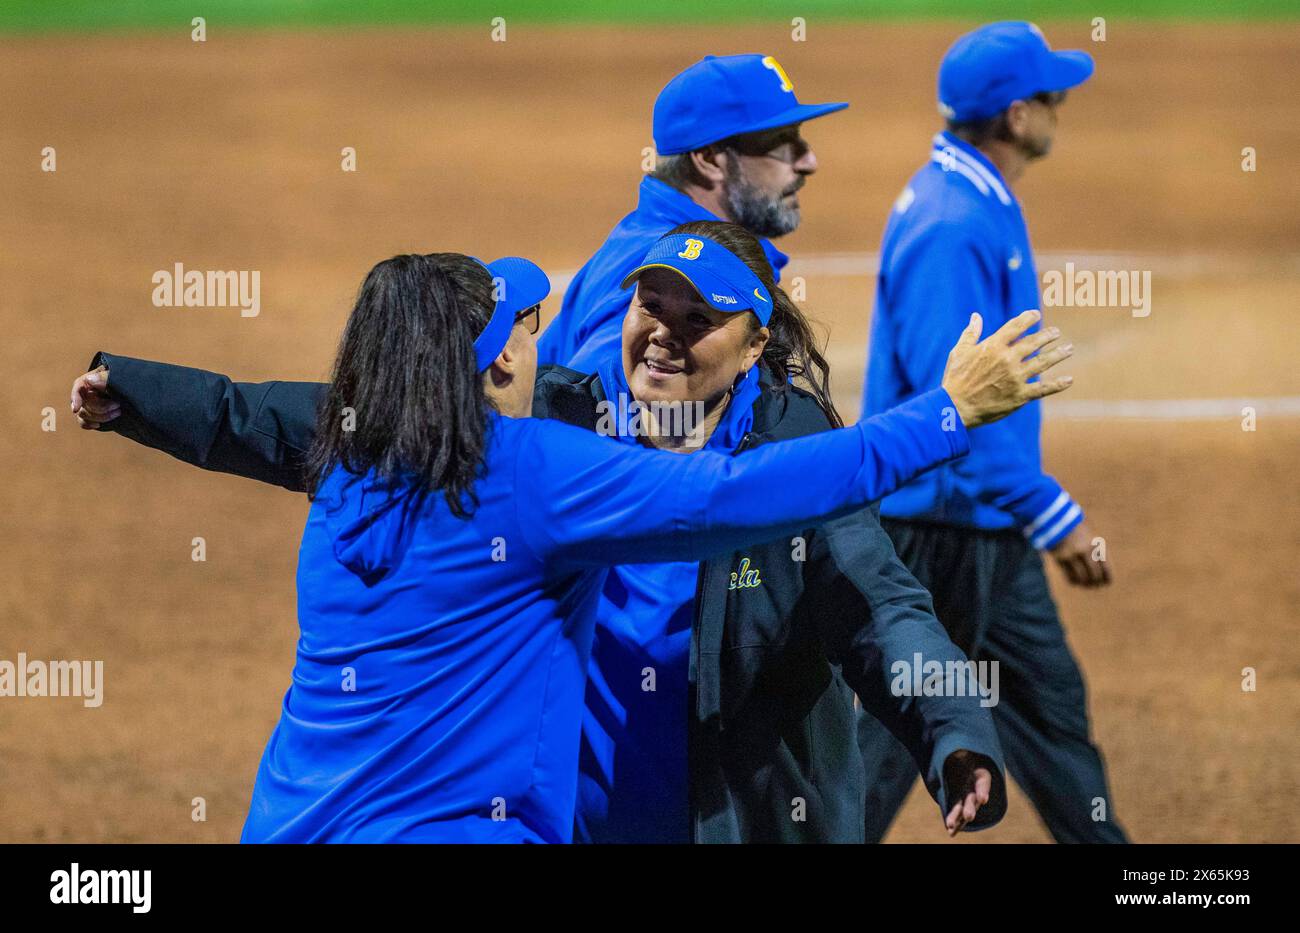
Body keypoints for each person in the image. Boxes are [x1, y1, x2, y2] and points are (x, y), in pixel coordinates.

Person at [73, 229, 1076, 842]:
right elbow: (728, 496)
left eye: (701, 314)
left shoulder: (378, 449)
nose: (665, 328)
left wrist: (954, 728)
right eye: (652, 301)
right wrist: (943, 415)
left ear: (757, 345)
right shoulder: (542, 449)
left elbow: (889, 611)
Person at [857, 21, 1128, 843]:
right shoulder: (954, 224)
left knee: (1052, 722)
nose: (1063, 106)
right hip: (936, 533)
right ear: (1015, 116)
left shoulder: (971, 196)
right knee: (882, 751)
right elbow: (959, 408)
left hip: (983, 531)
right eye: (1052, 95)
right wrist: (1055, 513)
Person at [537, 53, 845, 372]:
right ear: (709, 159)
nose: (809, 162)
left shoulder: (658, 239)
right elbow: (580, 405)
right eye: (781, 141)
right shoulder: (670, 272)